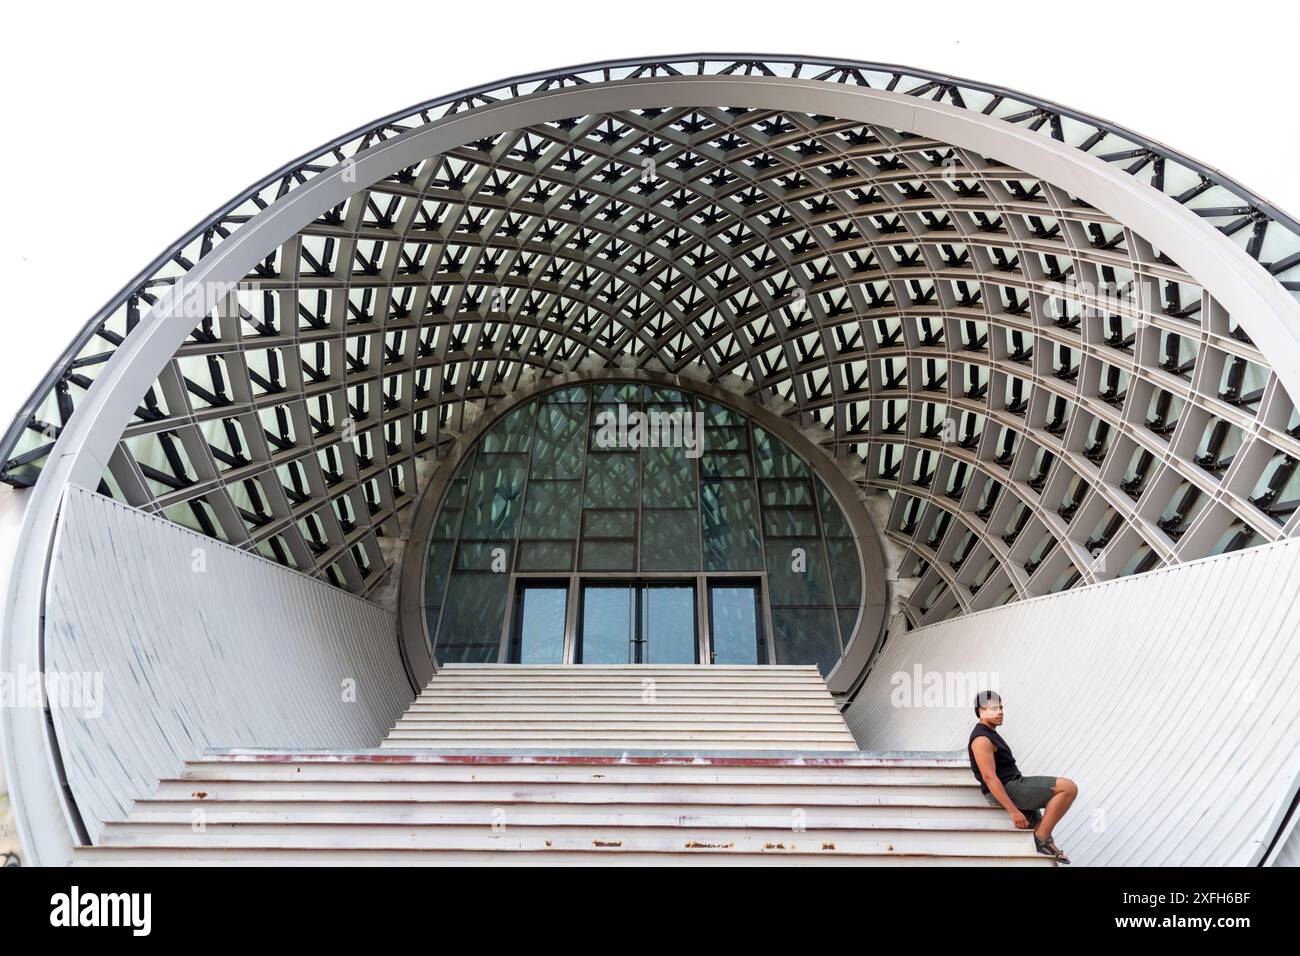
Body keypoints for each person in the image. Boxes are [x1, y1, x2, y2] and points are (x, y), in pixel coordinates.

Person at [967, 690, 1078, 863]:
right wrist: (1013, 811)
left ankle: (1046, 842)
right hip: (1009, 787)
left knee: (1044, 824)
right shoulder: (981, 739)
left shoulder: (990, 734)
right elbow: (989, 778)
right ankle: (1041, 838)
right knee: (1068, 788)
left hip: (1014, 784)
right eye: (994, 708)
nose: (1000, 712)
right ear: (981, 711)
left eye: (1001, 708)